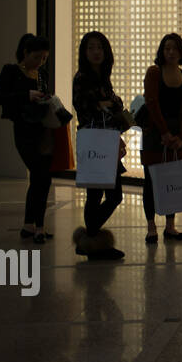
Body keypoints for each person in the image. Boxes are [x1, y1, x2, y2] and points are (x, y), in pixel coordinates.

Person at [0, 33, 56, 244]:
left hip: (43, 130)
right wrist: (25, 96)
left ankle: (30, 225)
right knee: (40, 175)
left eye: (44, 58)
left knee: (41, 178)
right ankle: (38, 227)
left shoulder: (41, 75)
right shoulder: (11, 71)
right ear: (25, 53)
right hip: (23, 130)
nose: (40, 62)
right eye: (37, 57)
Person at [72, 31, 127, 260]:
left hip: (106, 140)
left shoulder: (104, 77)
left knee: (113, 195)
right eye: (91, 48)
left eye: (100, 48)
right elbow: (84, 106)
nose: (96, 52)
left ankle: (90, 239)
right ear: (85, 53)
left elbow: (112, 107)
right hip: (94, 141)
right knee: (96, 194)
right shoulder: (82, 77)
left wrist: (109, 104)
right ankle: (92, 240)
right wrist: (105, 104)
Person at [141, 33, 182, 243]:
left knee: (173, 178)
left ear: (181, 52)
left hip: (175, 136)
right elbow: (151, 103)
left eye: (174, 48)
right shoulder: (154, 73)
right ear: (162, 52)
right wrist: (164, 132)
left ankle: (170, 226)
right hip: (155, 133)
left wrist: (180, 137)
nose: (171, 52)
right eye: (167, 49)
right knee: (151, 180)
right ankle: (151, 226)